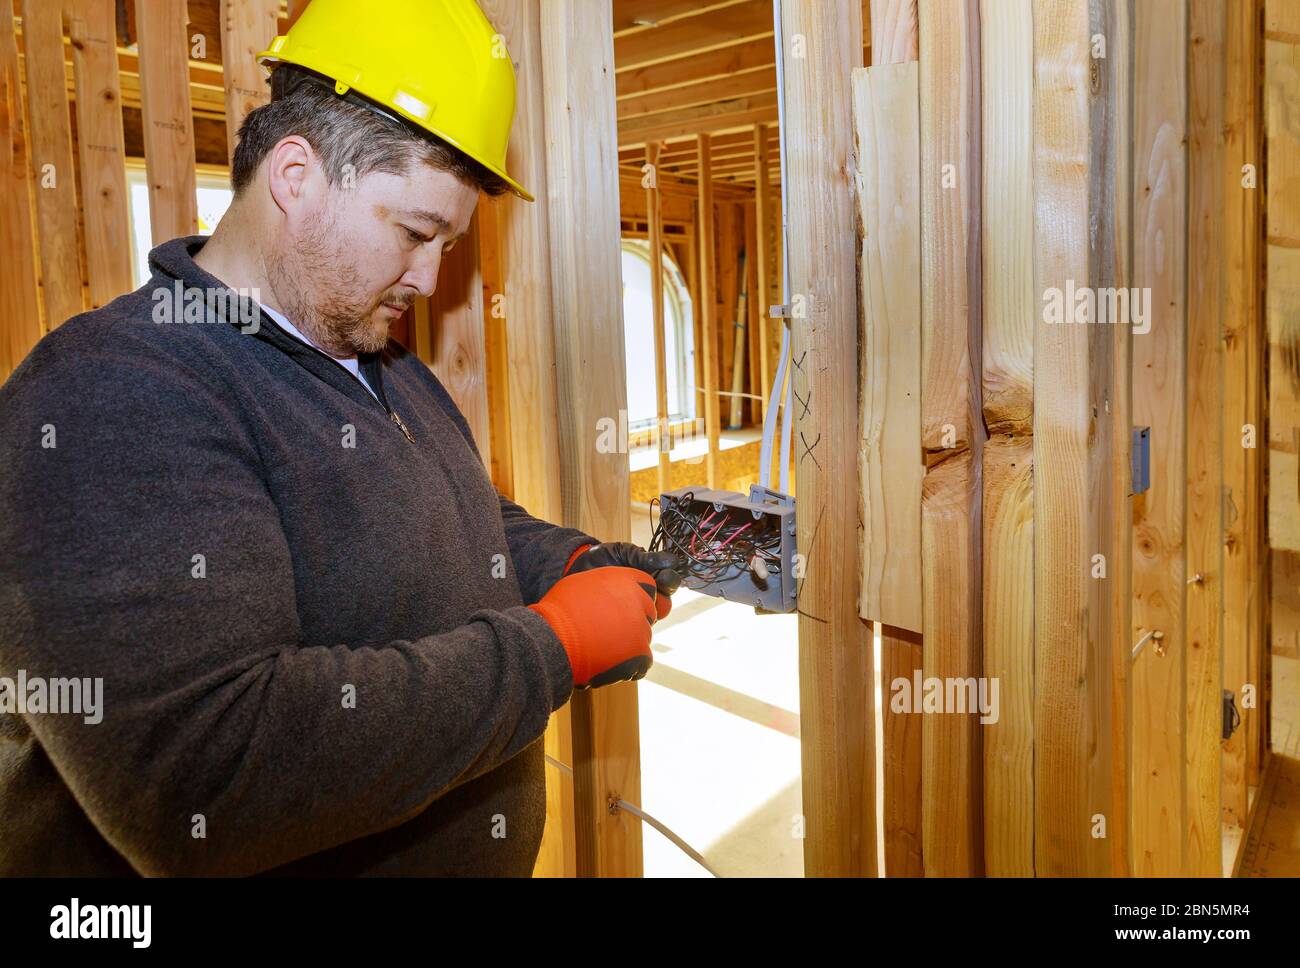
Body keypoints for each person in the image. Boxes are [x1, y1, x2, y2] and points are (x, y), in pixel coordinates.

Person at [0, 0, 680, 876]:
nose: (432, 278)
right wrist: (551, 648)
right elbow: (206, 776)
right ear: (296, 175)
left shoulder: (380, 361)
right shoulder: (115, 392)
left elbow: (463, 517)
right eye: (415, 232)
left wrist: (564, 561)